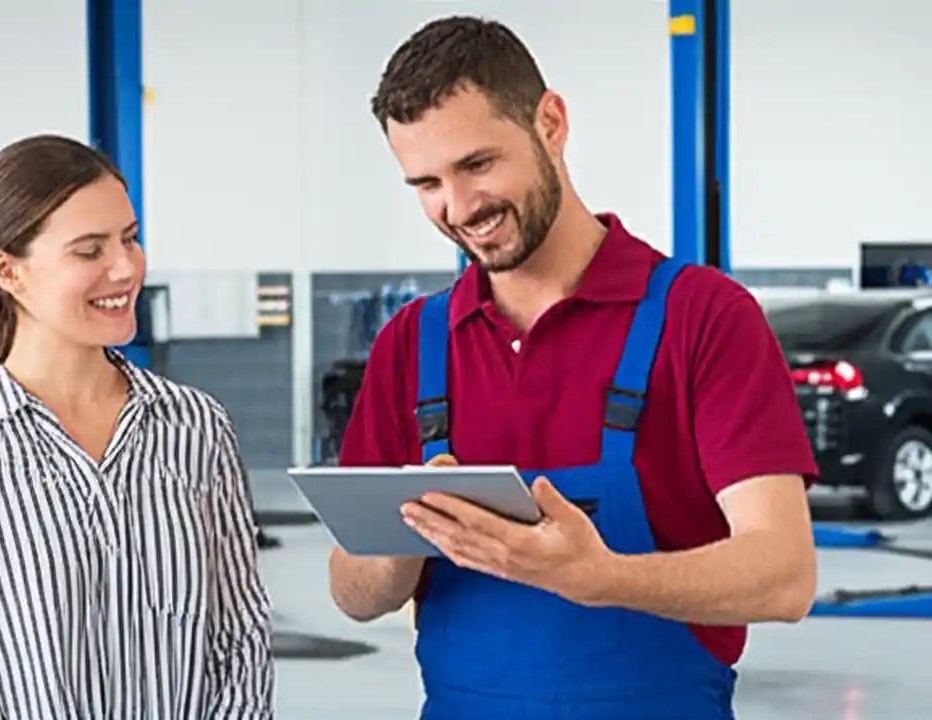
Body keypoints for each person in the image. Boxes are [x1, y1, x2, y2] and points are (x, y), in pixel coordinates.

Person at [326, 16, 819, 719]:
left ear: (550, 123)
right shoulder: (410, 344)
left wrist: (602, 577)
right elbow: (350, 593)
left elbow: (783, 574)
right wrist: (405, 542)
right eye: (426, 182)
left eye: (477, 164)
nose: (458, 208)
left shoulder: (704, 317)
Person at [0, 134, 274, 720]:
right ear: (6, 270)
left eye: (130, 238)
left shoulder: (195, 427)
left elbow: (241, 639)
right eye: (89, 251)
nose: (125, 268)